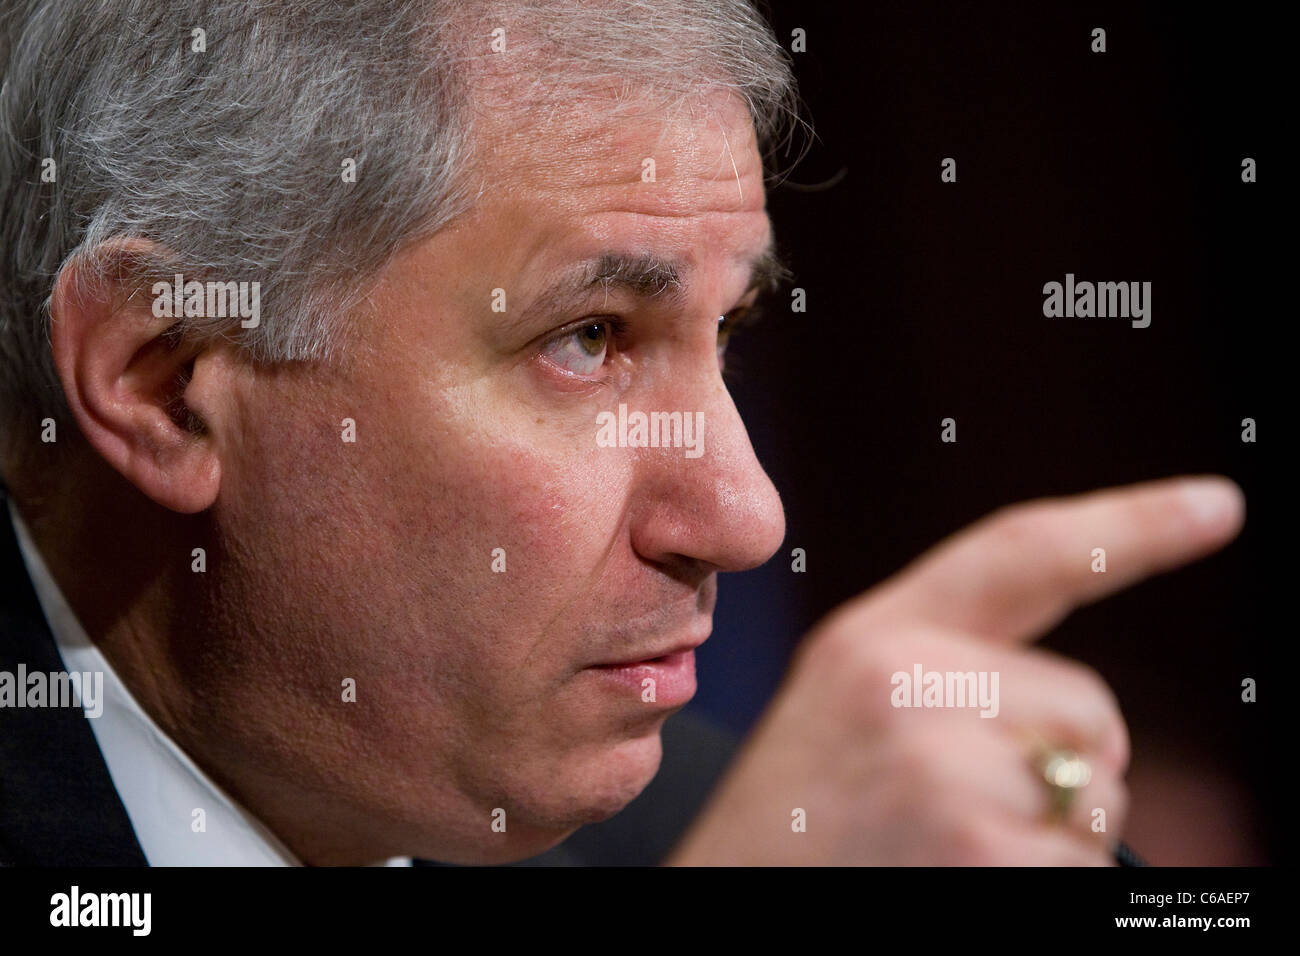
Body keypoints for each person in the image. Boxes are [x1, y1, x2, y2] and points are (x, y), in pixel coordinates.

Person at [0, 0, 1244, 866]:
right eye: (588, 339)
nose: (747, 518)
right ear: (165, 380)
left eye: (728, 336)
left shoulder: (690, 813)